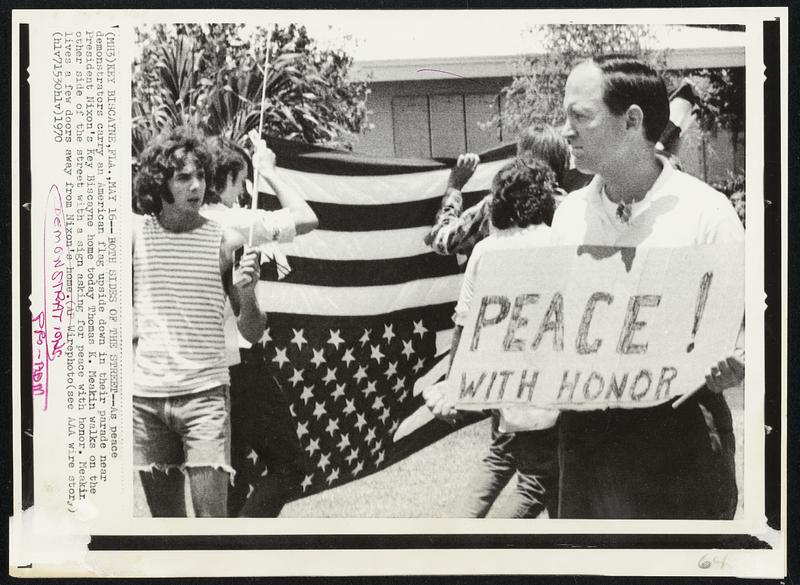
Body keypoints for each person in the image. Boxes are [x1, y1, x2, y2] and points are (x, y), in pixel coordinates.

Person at [550, 55, 744, 519]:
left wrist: (739, 359)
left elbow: (751, 324)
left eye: (580, 116)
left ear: (631, 121)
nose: (566, 131)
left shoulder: (707, 214)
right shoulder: (568, 215)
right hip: (585, 435)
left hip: (679, 433)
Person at [132, 125, 265, 517]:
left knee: (211, 528)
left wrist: (250, 291)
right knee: (168, 532)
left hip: (205, 398)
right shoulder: (136, 235)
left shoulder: (223, 240)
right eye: (183, 177)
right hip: (147, 403)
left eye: (201, 176)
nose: (196, 186)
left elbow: (252, 331)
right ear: (161, 183)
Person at [424, 155, 565, 518]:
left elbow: (463, 323)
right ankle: (487, 555)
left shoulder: (485, 250)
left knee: (502, 456)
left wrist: (456, 386)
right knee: (539, 481)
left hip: (501, 387)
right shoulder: (560, 242)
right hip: (548, 389)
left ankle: (457, 536)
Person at [203, 132, 318, 517]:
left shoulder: (181, 224)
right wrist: (269, 171)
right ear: (226, 179)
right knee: (289, 466)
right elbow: (306, 217)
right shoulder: (231, 220)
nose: (243, 191)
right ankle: (241, 544)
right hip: (239, 368)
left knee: (230, 478)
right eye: (241, 182)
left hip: (200, 374)